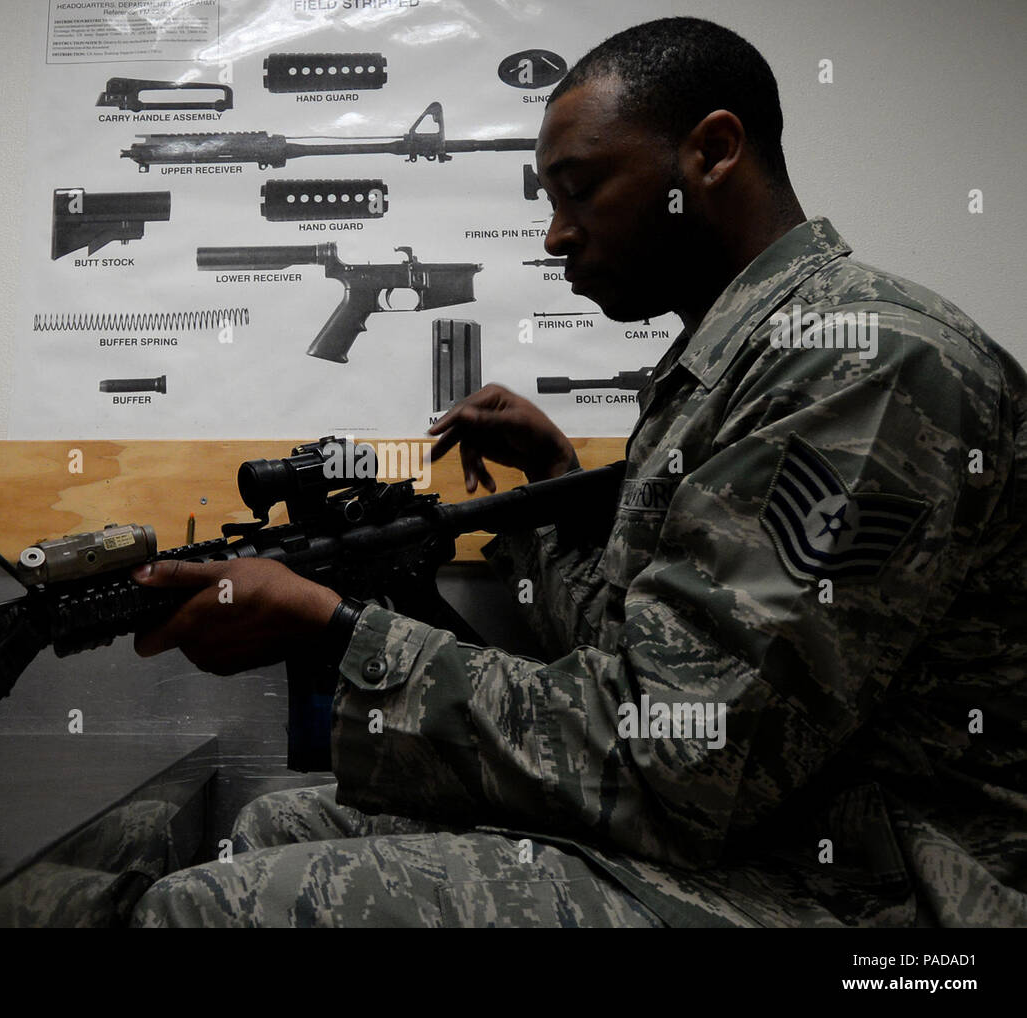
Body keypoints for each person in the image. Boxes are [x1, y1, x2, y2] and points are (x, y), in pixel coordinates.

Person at [127, 17, 1027, 927]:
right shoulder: (733, 366)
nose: (556, 236)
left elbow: (688, 753)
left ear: (713, 151)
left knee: (202, 910)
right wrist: (549, 489)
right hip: (752, 837)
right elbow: (632, 657)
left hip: (871, 893)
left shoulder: (863, 361)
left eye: (581, 189)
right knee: (272, 824)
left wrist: (335, 628)